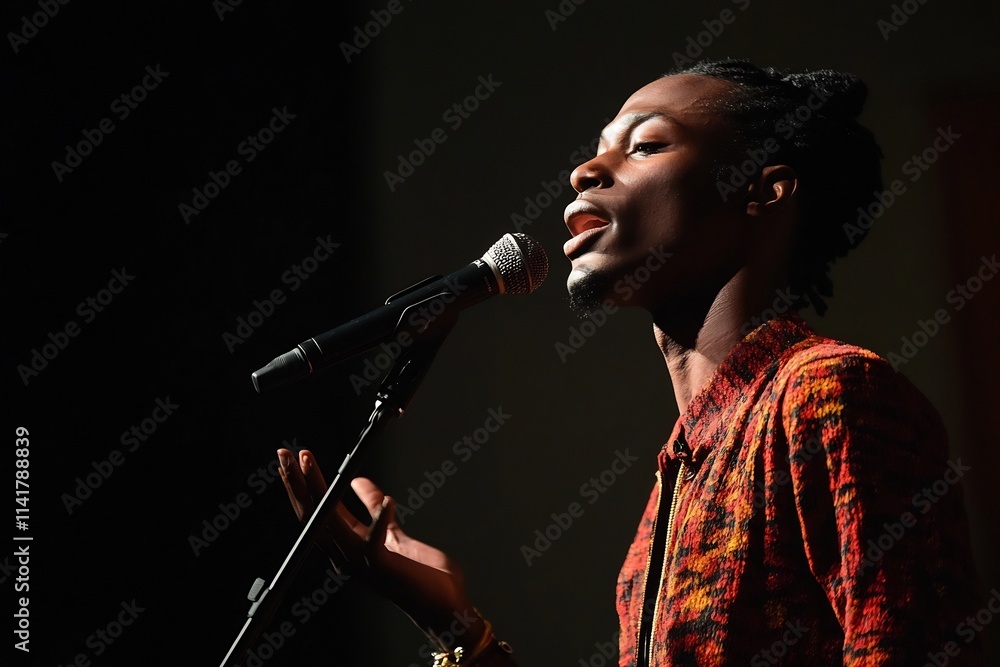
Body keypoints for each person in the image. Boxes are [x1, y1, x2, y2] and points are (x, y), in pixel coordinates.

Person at [277, 59, 983, 666]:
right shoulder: (677, 478)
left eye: (645, 145)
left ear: (763, 191)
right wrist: (453, 623)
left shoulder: (828, 396)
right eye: (597, 151)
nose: (586, 170)